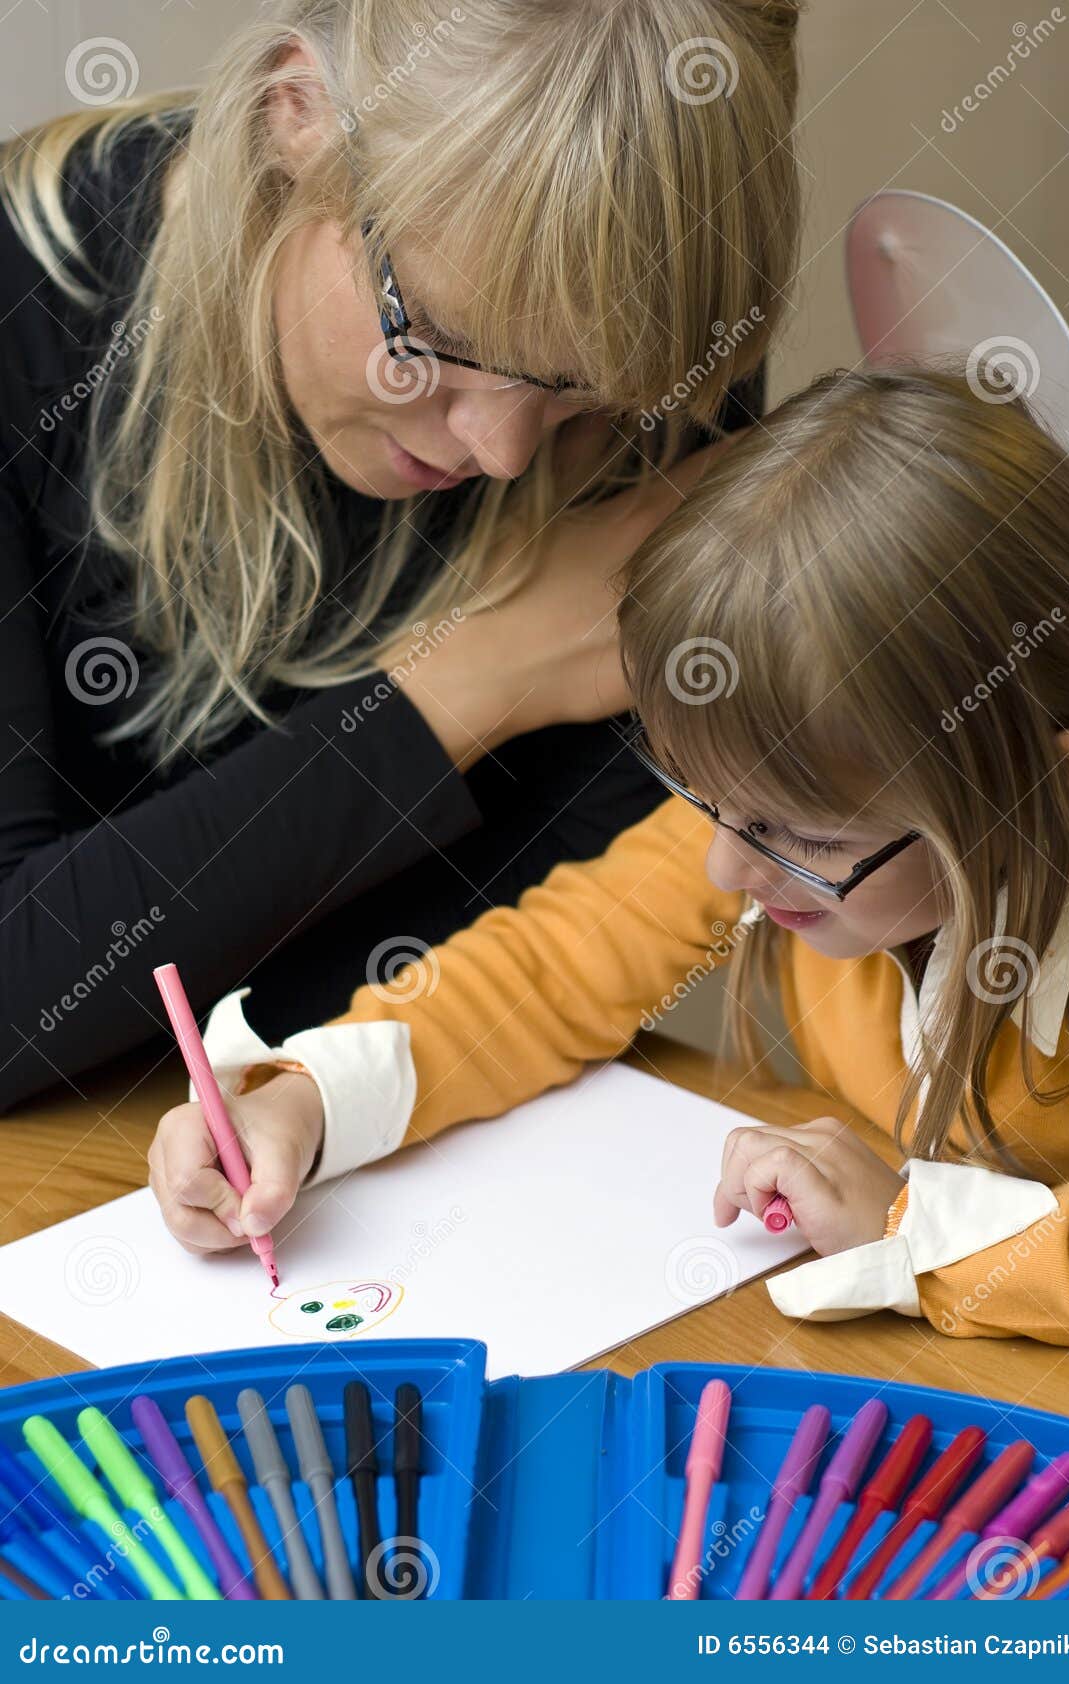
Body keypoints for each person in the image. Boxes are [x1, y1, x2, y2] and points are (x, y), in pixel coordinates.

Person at [152, 368, 1069, 1349]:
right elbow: (549, 971)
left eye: (806, 838)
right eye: (703, 798)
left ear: (1042, 782)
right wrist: (306, 1109)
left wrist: (916, 1231)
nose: (726, 869)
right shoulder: (761, 825)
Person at [0, 0, 800, 1107]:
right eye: (436, 344)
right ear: (300, 116)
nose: (504, 452)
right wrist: (476, 679)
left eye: (574, 394)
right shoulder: (23, 318)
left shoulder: (645, 364)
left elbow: (531, 945)